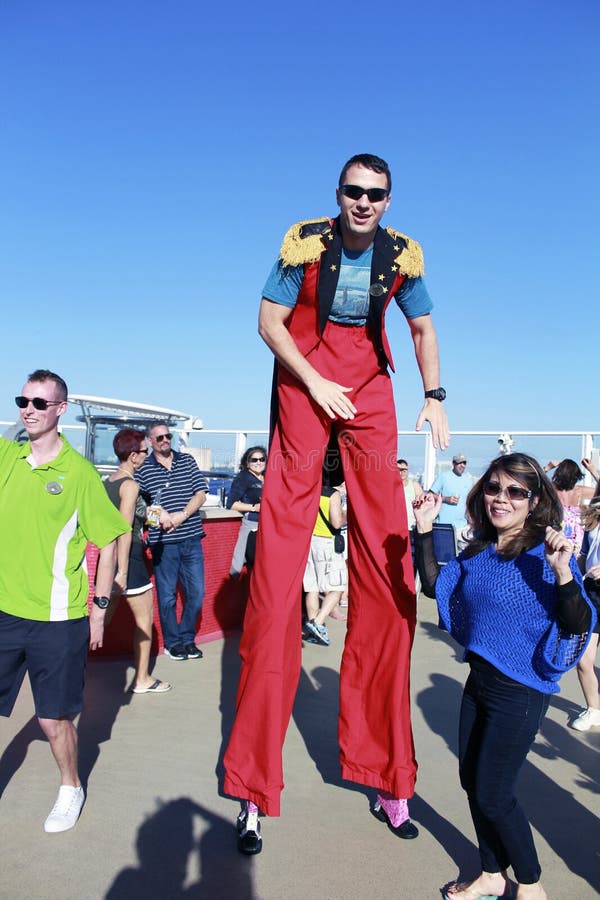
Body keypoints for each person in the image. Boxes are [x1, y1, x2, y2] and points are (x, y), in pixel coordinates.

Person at [224, 152, 449, 855]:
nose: (363, 202)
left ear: (388, 200)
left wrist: (434, 395)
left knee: (387, 571)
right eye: (354, 190)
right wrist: (314, 382)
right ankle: (253, 787)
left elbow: (421, 329)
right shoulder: (304, 242)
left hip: (370, 388)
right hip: (304, 379)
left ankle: (387, 775)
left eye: (375, 193)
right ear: (338, 193)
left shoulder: (402, 255)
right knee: (276, 577)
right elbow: (268, 323)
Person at [412, 453, 595, 900]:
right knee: (472, 782)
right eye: (494, 487)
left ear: (534, 501)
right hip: (478, 683)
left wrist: (563, 572)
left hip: (521, 691)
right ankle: (492, 873)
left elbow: (576, 623)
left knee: (494, 793)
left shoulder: (546, 554)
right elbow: (437, 586)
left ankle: (531, 885)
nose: (501, 498)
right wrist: (424, 528)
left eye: (515, 491)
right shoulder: (480, 551)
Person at [0, 369, 129, 833]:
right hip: (4, 612)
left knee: (53, 720)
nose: (28, 410)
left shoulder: (79, 473)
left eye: (40, 403)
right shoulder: (7, 457)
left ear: (60, 409)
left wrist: (99, 610)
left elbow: (109, 541)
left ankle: (71, 787)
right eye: (23, 401)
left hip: (57, 620)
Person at [104, 428, 171, 694]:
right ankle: (142, 679)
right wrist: (123, 571)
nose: (147, 454)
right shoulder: (130, 485)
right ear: (133, 456)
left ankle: (72, 669)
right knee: (145, 622)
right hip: (128, 558)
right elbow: (125, 529)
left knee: (100, 619)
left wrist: (155, 515)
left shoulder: (108, 482)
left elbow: (127, 519)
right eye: (145, 451)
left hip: (108, 557)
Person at [135, 422, 208, 661]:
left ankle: (187, 639)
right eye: (159, 438)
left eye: (168, 436)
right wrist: (161, 517)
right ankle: (173, 643)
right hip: (163, 543)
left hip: (192, 538)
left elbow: (200, 494)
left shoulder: (186, 461)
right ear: (150, 441)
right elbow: (140, 507)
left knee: (197, 593)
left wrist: (181, 515)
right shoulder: (143, 469)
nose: (165, 440)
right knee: (167, 597)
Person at [303, 481, 348, 645]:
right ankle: (317, 622)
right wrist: (346, 514)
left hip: (310, 542)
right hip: (327, 543)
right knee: (338, 587)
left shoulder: (310, 490)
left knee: (312, 588)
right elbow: (336, 522)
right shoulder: (333, 494)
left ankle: (313, 628)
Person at [571, 486, 600, 731]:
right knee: (583, 659)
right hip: (592, 593)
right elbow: (583, 556)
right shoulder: (593, 520)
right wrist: (567, 569)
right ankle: (594, 709)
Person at [226, 446, 267, 576]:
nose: (258, 462)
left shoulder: (268, 477)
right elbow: (231, 503)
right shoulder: (243, 478)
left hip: (269, 527)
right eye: (254, 460)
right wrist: (254, 507)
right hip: (253, 527)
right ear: (247, 463)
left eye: (262, 459)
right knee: (255, 565)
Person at [543, 458, 595, 556]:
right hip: (577, 539)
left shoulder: (552, 490)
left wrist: (548, 467)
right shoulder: (579, 491)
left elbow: (534, 483)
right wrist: (592, 471)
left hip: (556, 535)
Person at [430, 452, 472, 538]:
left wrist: (472, 522)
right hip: (443, 526)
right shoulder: (443, 476)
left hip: (462, 527)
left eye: (464, 463)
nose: (462, 465)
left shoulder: (468, 481)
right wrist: (445, 499)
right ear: (453, 463)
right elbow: (430, 495)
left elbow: (470, 503)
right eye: (459, 462)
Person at [397, 459, 423, 530]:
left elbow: (423, 504)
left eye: (404, 470)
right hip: (396, 526)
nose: (402, 472)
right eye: (399, 470)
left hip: (411, 526)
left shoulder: (414, 485)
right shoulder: (391, 486)